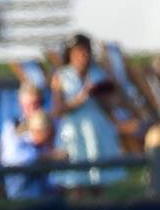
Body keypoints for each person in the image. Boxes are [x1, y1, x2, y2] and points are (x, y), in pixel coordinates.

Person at [49, 33, 126, 195]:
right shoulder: (62, 76)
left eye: (86, 51)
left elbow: (111, 105)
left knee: (97, 179)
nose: (83, 56)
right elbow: (57, 110)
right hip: (74, 130)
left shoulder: (99, 75)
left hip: (96, 128)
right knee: (77, 180)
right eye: (78, 52)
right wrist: (79, 99)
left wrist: (100, 95)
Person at [0, 84, 61, 199]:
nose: (33, 109)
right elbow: (11, 158)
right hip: (22, 188)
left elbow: (62, 151)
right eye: (28, 105)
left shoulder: (54, 123)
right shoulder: (12, 126)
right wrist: (42, 156)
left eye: (36, 103)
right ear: (21, 105)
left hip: (52, 188)